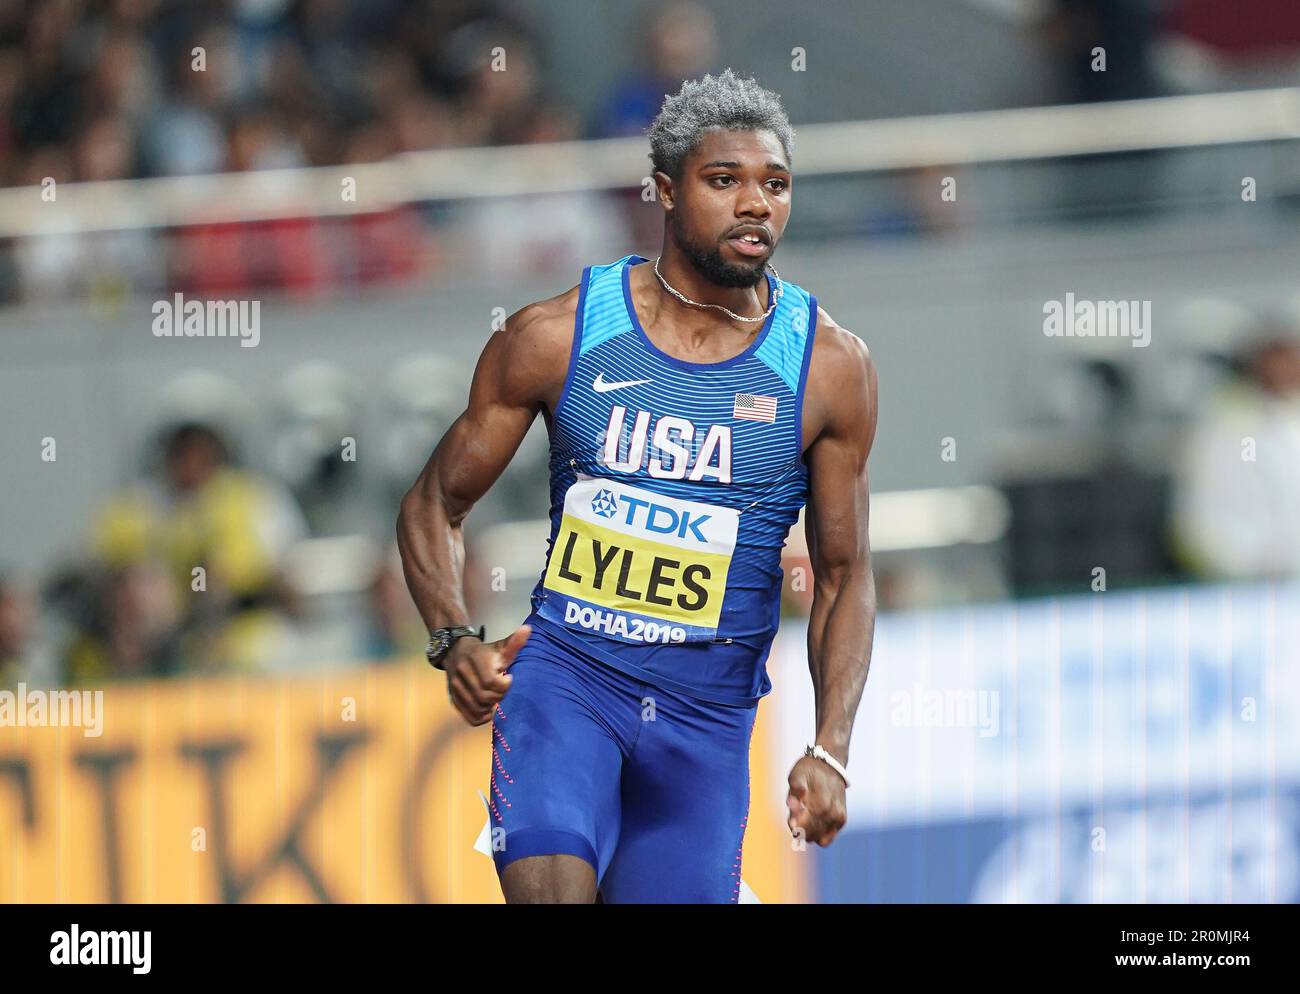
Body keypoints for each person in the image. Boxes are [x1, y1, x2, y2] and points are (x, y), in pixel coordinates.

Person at [398, 69, 878, 903]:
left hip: (708, 723)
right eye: (723, 181)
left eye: (775, 184)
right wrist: (451, 637)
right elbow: (434, 503)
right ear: (663, 190)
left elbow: (843, 575)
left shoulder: (830, 369)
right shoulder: (554, 338)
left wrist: (830, 746)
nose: (755, 205)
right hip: (567, 685)